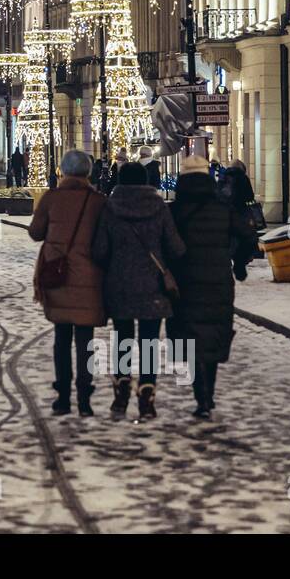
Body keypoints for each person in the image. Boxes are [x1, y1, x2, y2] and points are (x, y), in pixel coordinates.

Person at [92, 161, 185, 422]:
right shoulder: (158, 207)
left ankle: (121, 390)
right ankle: (146, 397)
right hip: (153, 287)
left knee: (122, 338)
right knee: (149, 342)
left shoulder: (110, 207)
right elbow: (176, 247)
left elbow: (99, 250)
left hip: (119, 286)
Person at [168, 155, 256, 420]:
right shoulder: (223, 208)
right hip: (218, 280)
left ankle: (200, 395)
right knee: (213, 335)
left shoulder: (174, 210)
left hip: (185, 283)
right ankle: (209, 393)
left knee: (190, 337)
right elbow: (249, 236)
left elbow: (164, 245)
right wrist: (239, 264)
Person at [29, 150, 107, 416]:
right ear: (87, 172)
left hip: (57, 277)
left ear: (62, 170)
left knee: (61, 339)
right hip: (90, 278)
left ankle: (63, 397)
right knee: (85, 341)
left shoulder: (52, 198)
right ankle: (84, 399)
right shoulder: (97, 201)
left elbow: (35, 233)